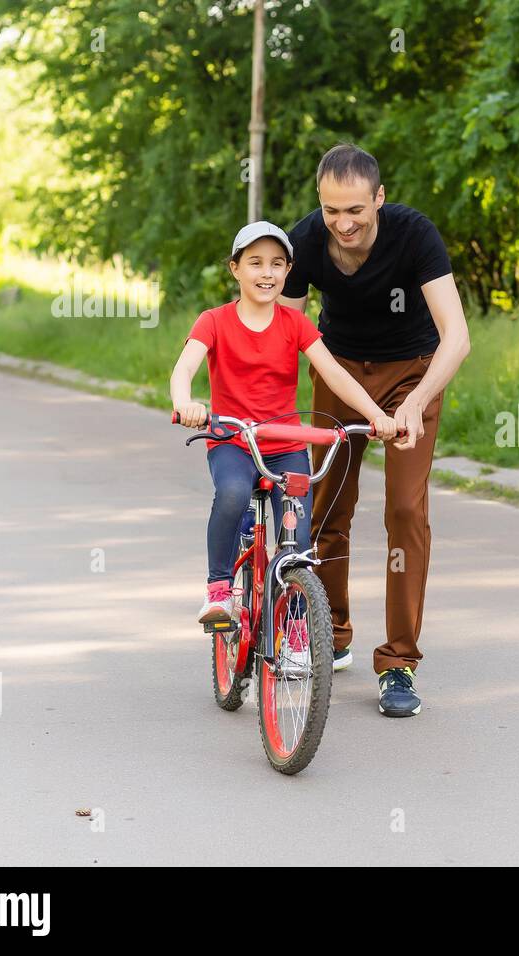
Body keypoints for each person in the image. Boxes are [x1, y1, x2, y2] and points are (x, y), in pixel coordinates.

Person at [278, 143, 471, 718]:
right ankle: (331, 633)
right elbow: (282, 334)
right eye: (332, 210)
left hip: (411, 375)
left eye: (356, 210)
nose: (343, 223)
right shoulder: (306, 240)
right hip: (337, 373)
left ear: (379, 200)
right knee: (328, 507)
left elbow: (456, 335)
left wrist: (416, 401)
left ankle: (399, 662)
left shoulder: (414, 235)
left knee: (406, 511)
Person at [169, 221, 399, 665]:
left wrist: (376, 416)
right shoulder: (213, 321)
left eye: (277, 264)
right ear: (235, 269)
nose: (266, 273)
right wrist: (187, 402)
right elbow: (184, 370)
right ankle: (220, 591)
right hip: (234, 440)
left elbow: (333, 373)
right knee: (234, 492)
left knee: (296, 536)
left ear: (289, 271)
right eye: (255, 263)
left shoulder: (295, 324)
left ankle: (293, 633)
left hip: (285, 440)